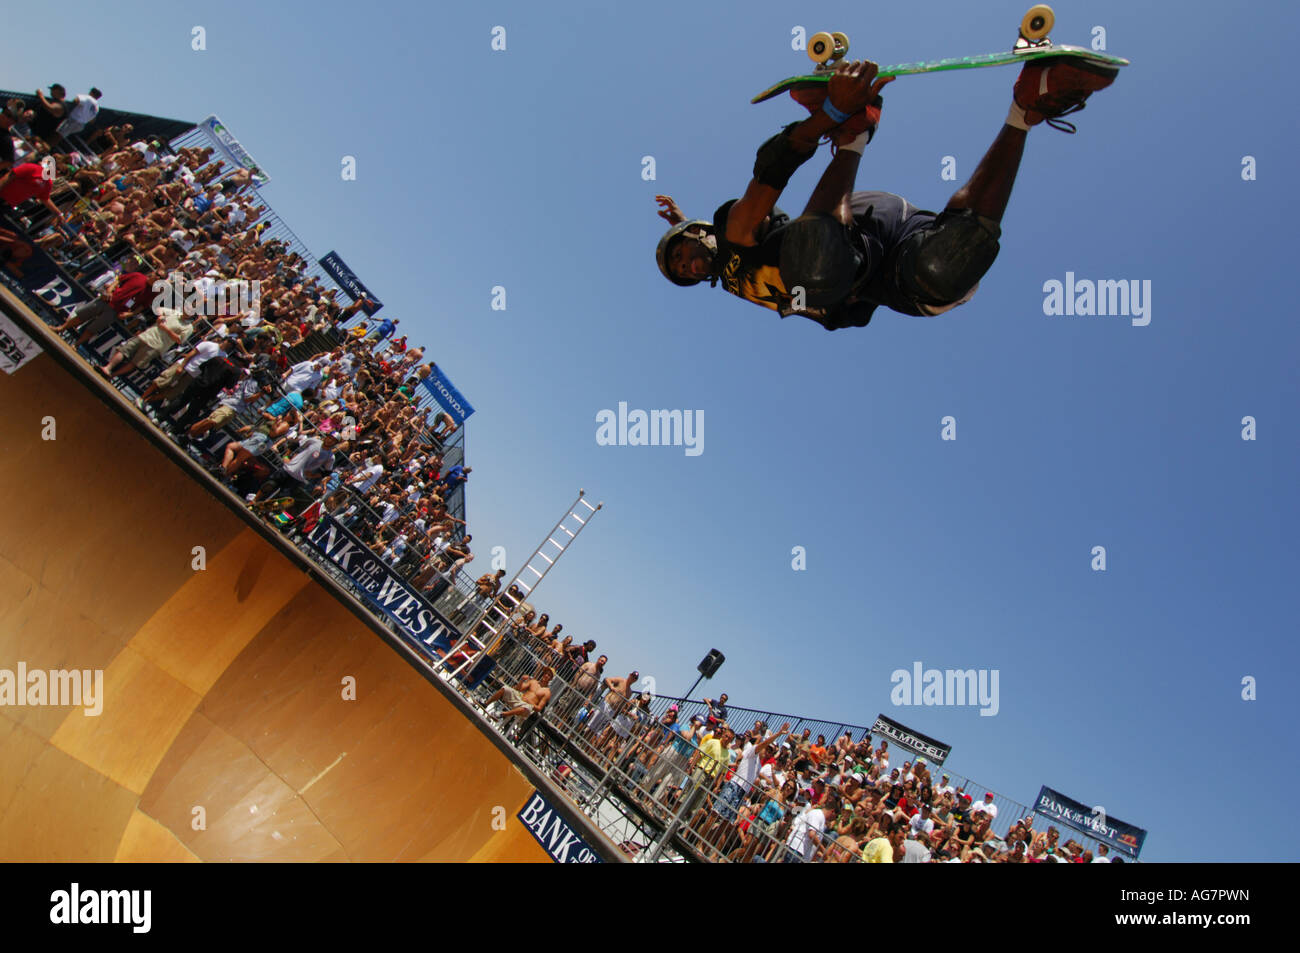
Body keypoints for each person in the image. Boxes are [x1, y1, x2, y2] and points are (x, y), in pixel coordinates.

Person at [654, 55, 1117, 330]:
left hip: (848, 231)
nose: (688, 266)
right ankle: (1028, 104)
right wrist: (682, 223)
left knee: (810, 265)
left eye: (682, 254)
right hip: (878, 278)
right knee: (945, 270)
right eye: (683, 272)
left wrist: (831, 114)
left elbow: (769, 175)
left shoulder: (733, 233)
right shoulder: (728, 277)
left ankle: (853, 130)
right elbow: (707, 248)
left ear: (701, 233)